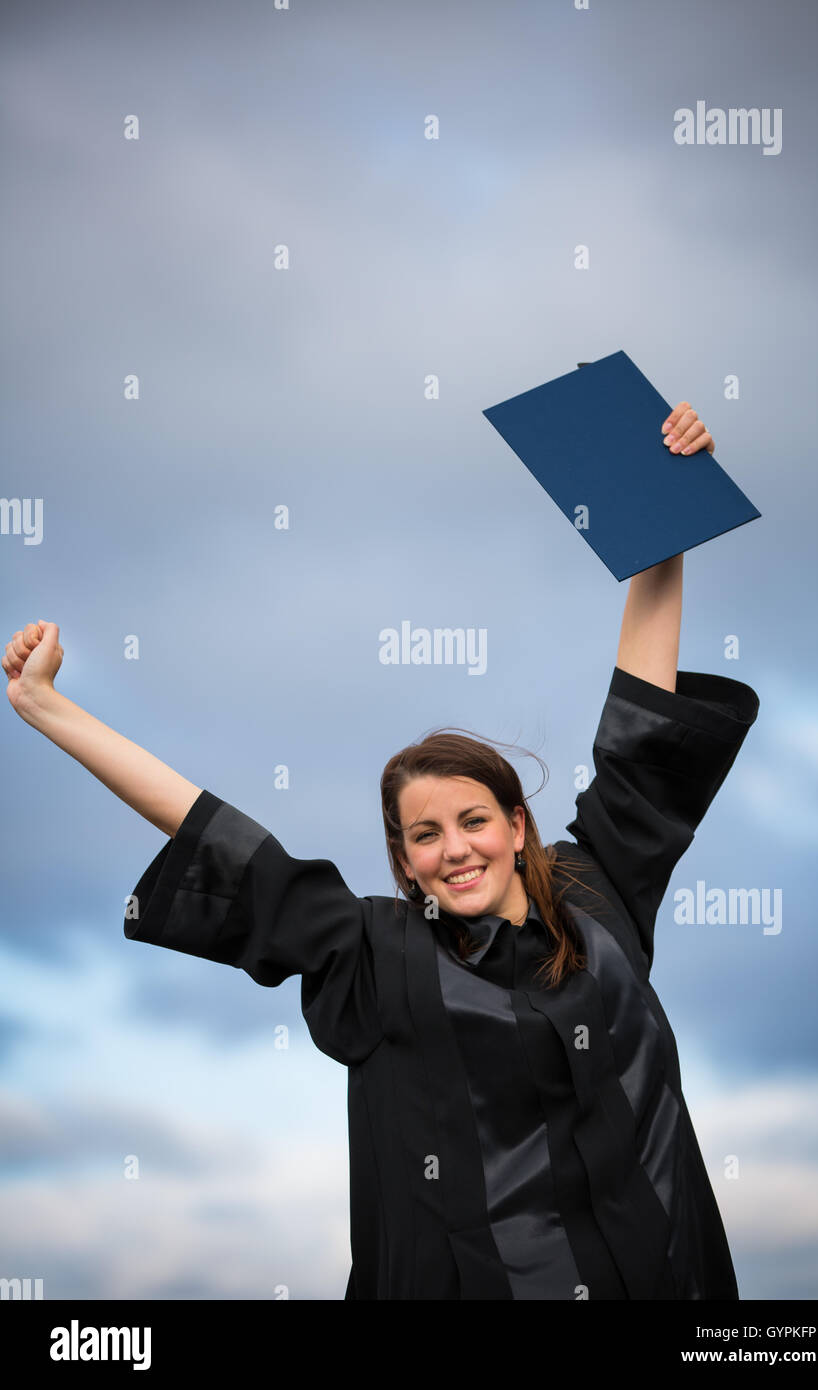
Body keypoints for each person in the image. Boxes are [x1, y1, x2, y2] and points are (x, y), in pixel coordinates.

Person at [3, 402, 759, 1301]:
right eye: (425, 835)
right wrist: (49, 710)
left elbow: (639, 712)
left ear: (518, 826)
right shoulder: (376, 953)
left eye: (474, 821)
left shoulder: (599, 896)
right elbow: (214, 828)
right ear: (405, 865)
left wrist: (658, 513)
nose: (456, 849)